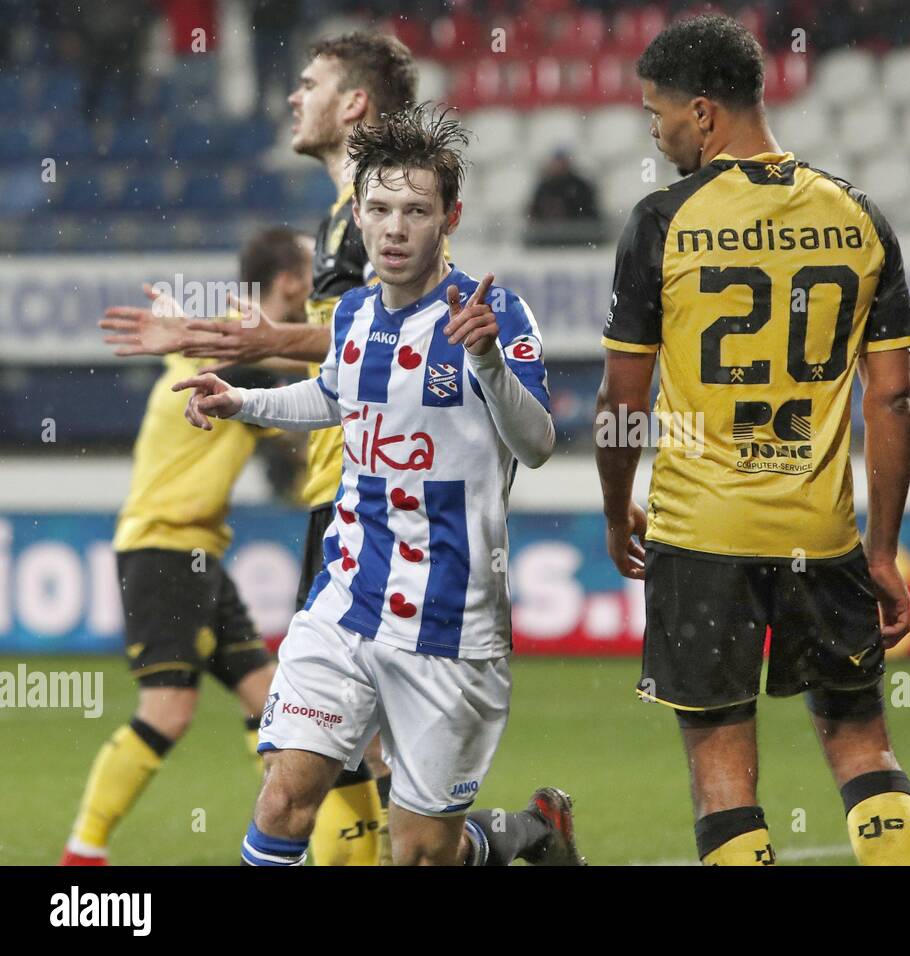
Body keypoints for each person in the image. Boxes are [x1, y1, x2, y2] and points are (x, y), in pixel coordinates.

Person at [175, 104, 583, 867]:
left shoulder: (492, 314)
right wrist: (246, 401)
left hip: (450, 622)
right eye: (382, 209)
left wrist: (489, 365)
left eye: (417, 211)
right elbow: (336, 396)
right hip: (346, 596)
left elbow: (539, 444)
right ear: (357, 215)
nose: (396, 228)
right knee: (284, 797)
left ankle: (520, 835)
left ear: (449, 218)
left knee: (422, 852)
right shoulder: (357, 313)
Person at [595, 14, 910, 866]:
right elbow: (892, 402)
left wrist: (613, 508)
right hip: (823, 537)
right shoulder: (858, 216)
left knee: (721, 770)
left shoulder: (663, 221)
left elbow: (620, 398)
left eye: (657, 114)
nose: (656, 131)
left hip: (703, 536)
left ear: (702, 113)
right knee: (860, 742)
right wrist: (881, 551)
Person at [100, 32, 424, 865]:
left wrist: (220, 339)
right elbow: (339, 365)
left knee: (333, 758)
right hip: (342, 502)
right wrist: (231, 369)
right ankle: (518, 836)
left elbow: (377, 352)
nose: (292, 95)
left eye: (309, 82)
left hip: (374, 506)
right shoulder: (343, 213)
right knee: (339, 755)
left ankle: (505, 837)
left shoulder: (380, 206)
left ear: (354, 103)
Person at [61, 227, 311, 866]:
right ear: (288, 282)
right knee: (168, 711)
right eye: (316, 266)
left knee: (274, 702)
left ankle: (289, 838)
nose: (328, 274)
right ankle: (82, 855)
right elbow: (318, 366)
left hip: (199, 552)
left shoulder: (239, 345)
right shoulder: (236, 342)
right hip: (163, 547)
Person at [525, 149, 604, 247]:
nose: (559, 165)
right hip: (547, 242)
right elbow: (533, 214)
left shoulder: (580, 186)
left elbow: (590, 215)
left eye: (562, 162)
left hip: (578, 242)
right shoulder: (544, 187)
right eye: (557, 162)